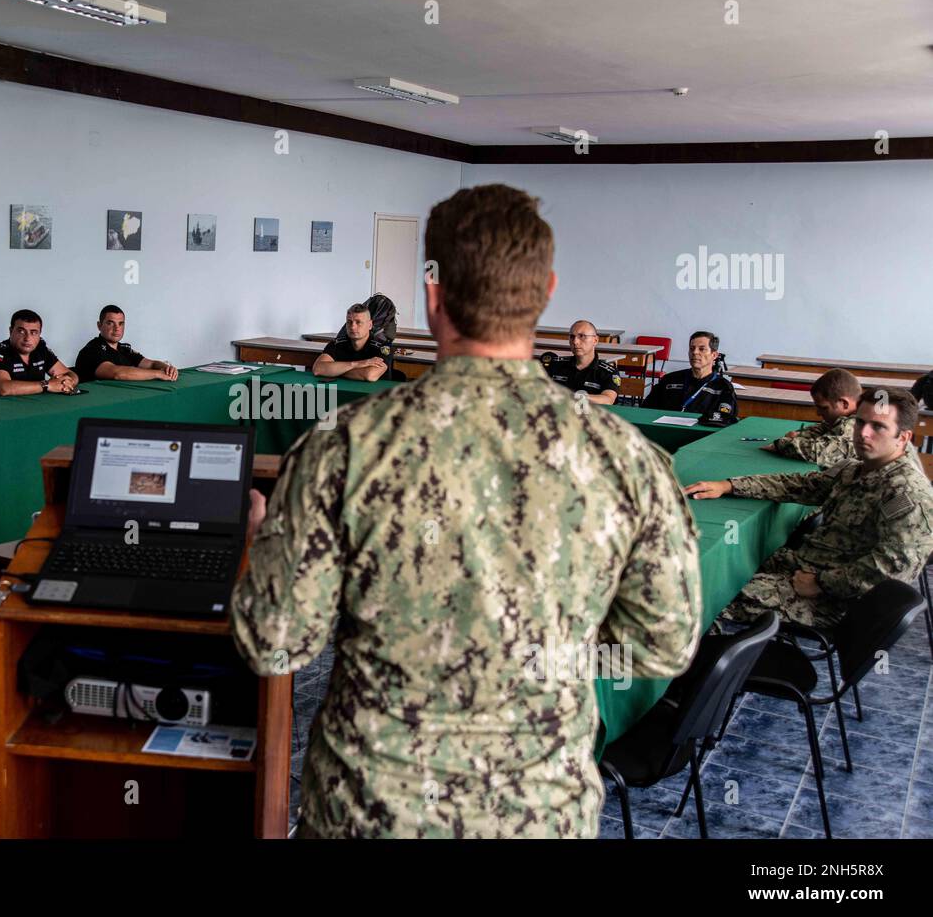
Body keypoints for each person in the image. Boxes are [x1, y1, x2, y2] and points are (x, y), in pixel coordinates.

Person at [230, 183, 704, 839]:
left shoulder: (345, 446)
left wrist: (259, 549)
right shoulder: (627, 458)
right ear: (546, 293)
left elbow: (275, 641)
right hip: (538, 814)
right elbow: (664, 642)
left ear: (432, 293)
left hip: (372, 813)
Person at [685, 388, 933, 629]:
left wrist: (821, 583)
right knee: (710, 567)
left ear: (903, 437)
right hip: (803, 566)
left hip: (831, 601)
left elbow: (894, 569)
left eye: (878, 426)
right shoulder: (857, 468)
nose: (863, 433)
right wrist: (729, 485)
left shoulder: (907, 492)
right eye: (860, 422)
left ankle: (698, 665)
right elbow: (799, 485)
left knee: (707, 600)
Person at [0, 309, 79, 396]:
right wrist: (47, 385)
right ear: (11, 331)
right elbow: (4, 388)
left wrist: (68, 382)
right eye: (21, 331)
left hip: (31, 407)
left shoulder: (40, 349)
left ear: (40, 334)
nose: (27, 338)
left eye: (33, 333)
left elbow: (69, 373)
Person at [641, 331, 737, 418]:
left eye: (701, 349)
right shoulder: (669, 380)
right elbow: (645, 409)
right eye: (692, 348)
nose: (695, 352)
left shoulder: (723, 387)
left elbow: (725, 419)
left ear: (714, 355)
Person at [73, 305, 178, 383]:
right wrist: (158, 374)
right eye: (110, 323)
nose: (117, 328)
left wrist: (166, 368)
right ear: (99, 326)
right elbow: (117, 373)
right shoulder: (91, 350)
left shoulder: (124, 349)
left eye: (121, 323)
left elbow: (151, 364)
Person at [311, 303, 397, 382]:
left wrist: (335, 371)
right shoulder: (337, 344)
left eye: (358, 322)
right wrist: (360, 364)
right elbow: (318, 369)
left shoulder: (382, 346)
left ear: (370, 325)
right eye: (349, 322)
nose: (353, 327)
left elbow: (369, 375)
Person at [541, 319, 621, 404]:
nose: (575, 342)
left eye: (582, 336)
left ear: (595, 340)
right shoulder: (555, 365)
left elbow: (608, 399)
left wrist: (577, 397)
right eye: (572, 337)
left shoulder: (608, 372)